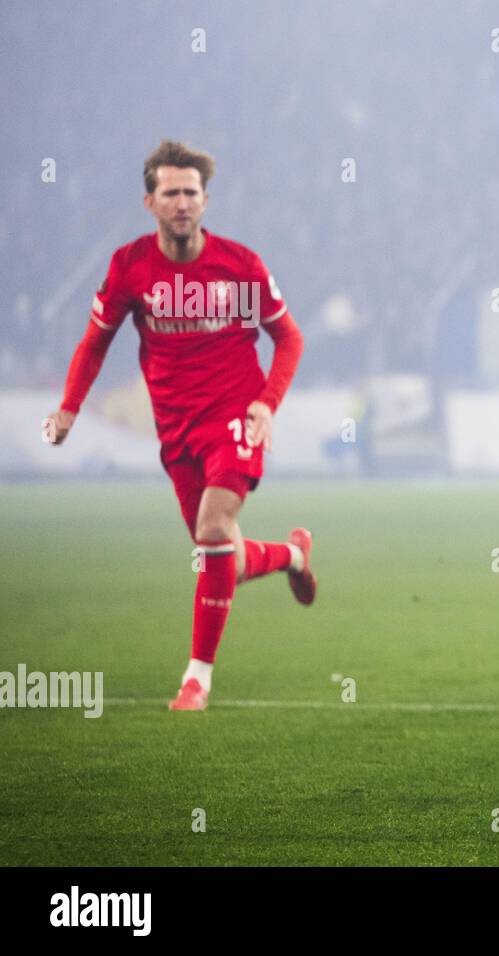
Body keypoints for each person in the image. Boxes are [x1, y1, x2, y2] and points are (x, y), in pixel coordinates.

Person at [47, 140, 315, 712]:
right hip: (175, 430)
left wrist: (266, 403)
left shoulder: (240, 267)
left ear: (205, 199)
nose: (182, 203)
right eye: (170, 193)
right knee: (222, 556)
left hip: (236, 418)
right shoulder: (130, 268)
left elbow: (288, 337)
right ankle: (293, 555)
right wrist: (69, 408)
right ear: (150, 203)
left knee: (215, 530)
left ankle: (197, 679)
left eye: (191, 192)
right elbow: (96, 342)